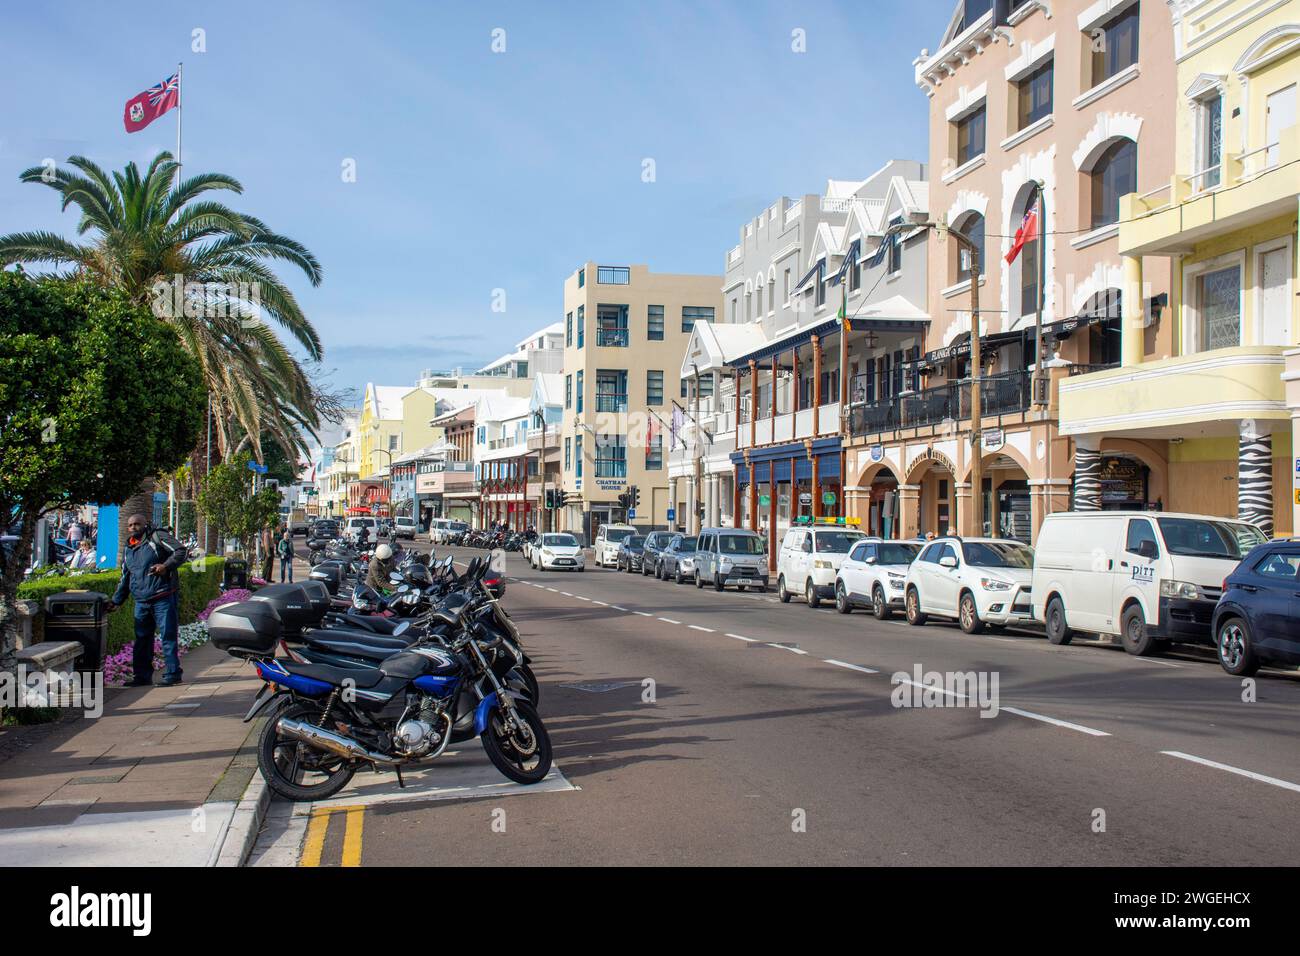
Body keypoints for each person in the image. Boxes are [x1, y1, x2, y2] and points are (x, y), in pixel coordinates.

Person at [105, 514, 188, 687]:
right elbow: (125, 577)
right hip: (141, 601)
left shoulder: (157, 536)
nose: (133, 527)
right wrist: (116, 601)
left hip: (163, 596)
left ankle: (173, 673)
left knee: (168, 636)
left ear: (145, 524)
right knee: (142, 639)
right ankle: (141, 676)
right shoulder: (128, 549)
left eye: (137, 524)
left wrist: (165, 566)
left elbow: (181, 551)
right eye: (130, 525)